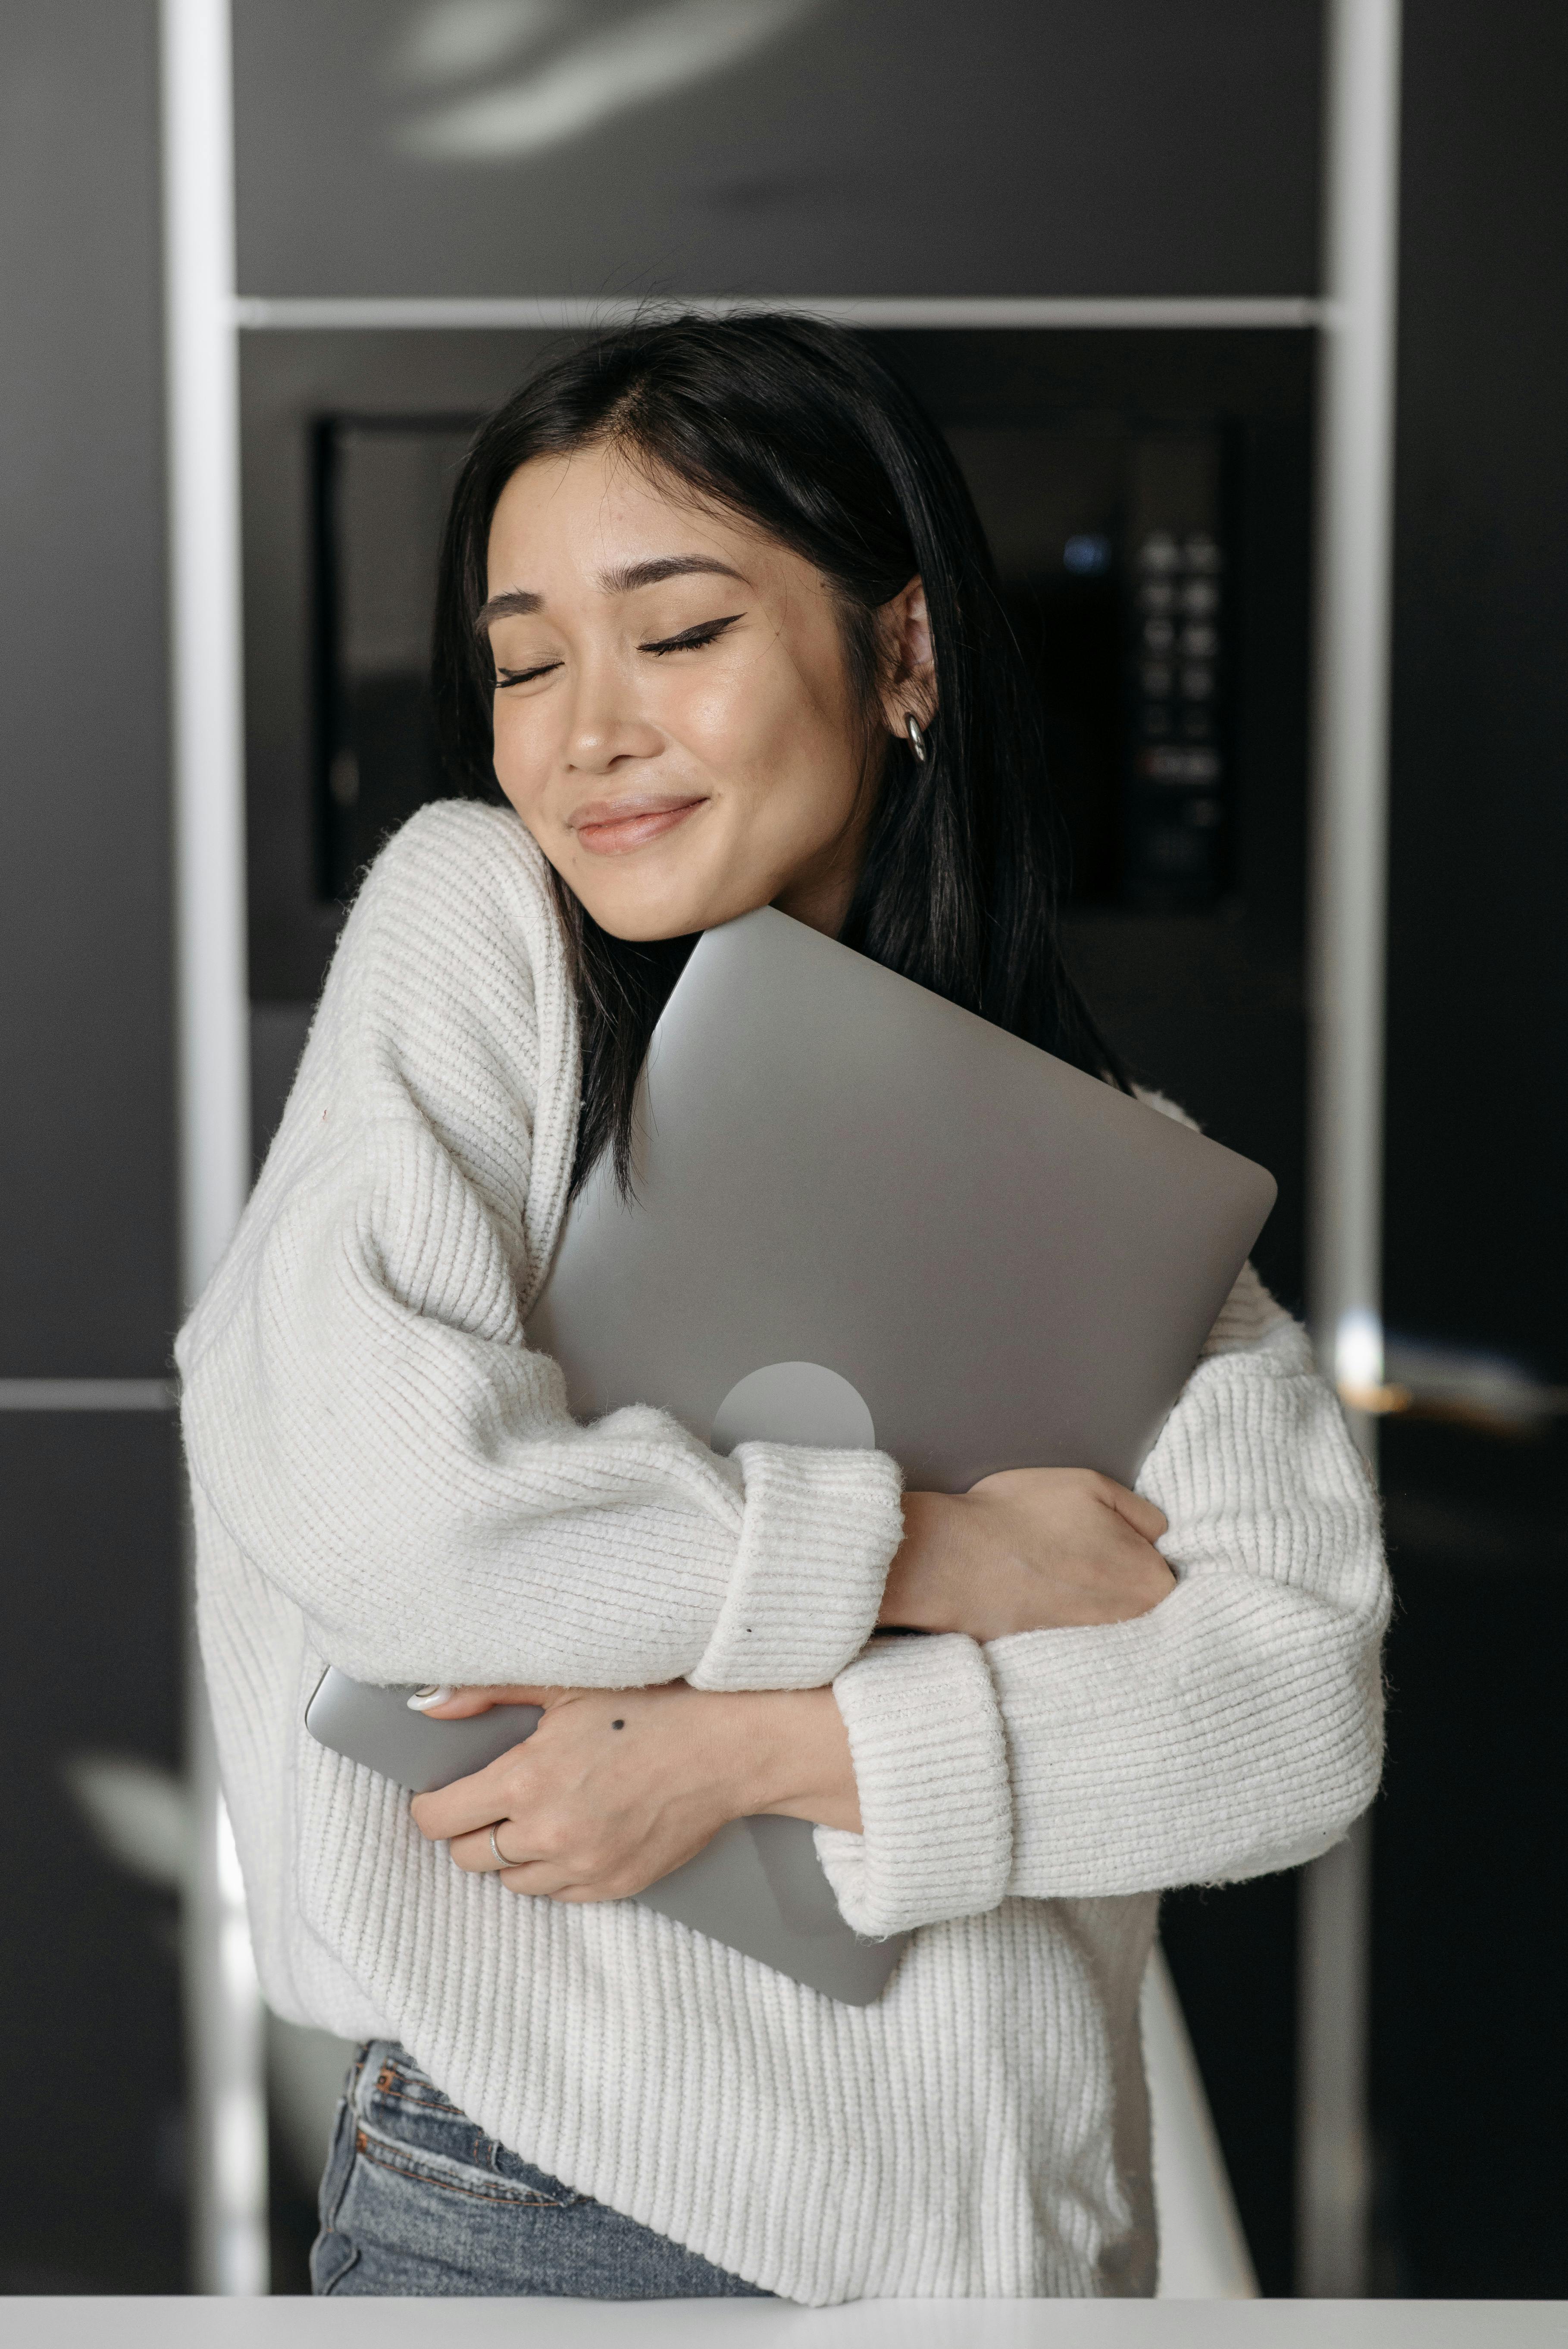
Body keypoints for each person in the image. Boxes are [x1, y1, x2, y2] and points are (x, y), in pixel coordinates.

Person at [175, 313, 1388, 2302]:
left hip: (1016, 2253)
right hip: (562, 2219)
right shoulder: (478, 940)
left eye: (676, 633)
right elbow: (401, 1515)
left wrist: (756, 1749)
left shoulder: (1110, 1168)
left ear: (901, 653)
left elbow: (1287, 1712)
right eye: (525, 658)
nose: (584, 730)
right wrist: (941, 1549)